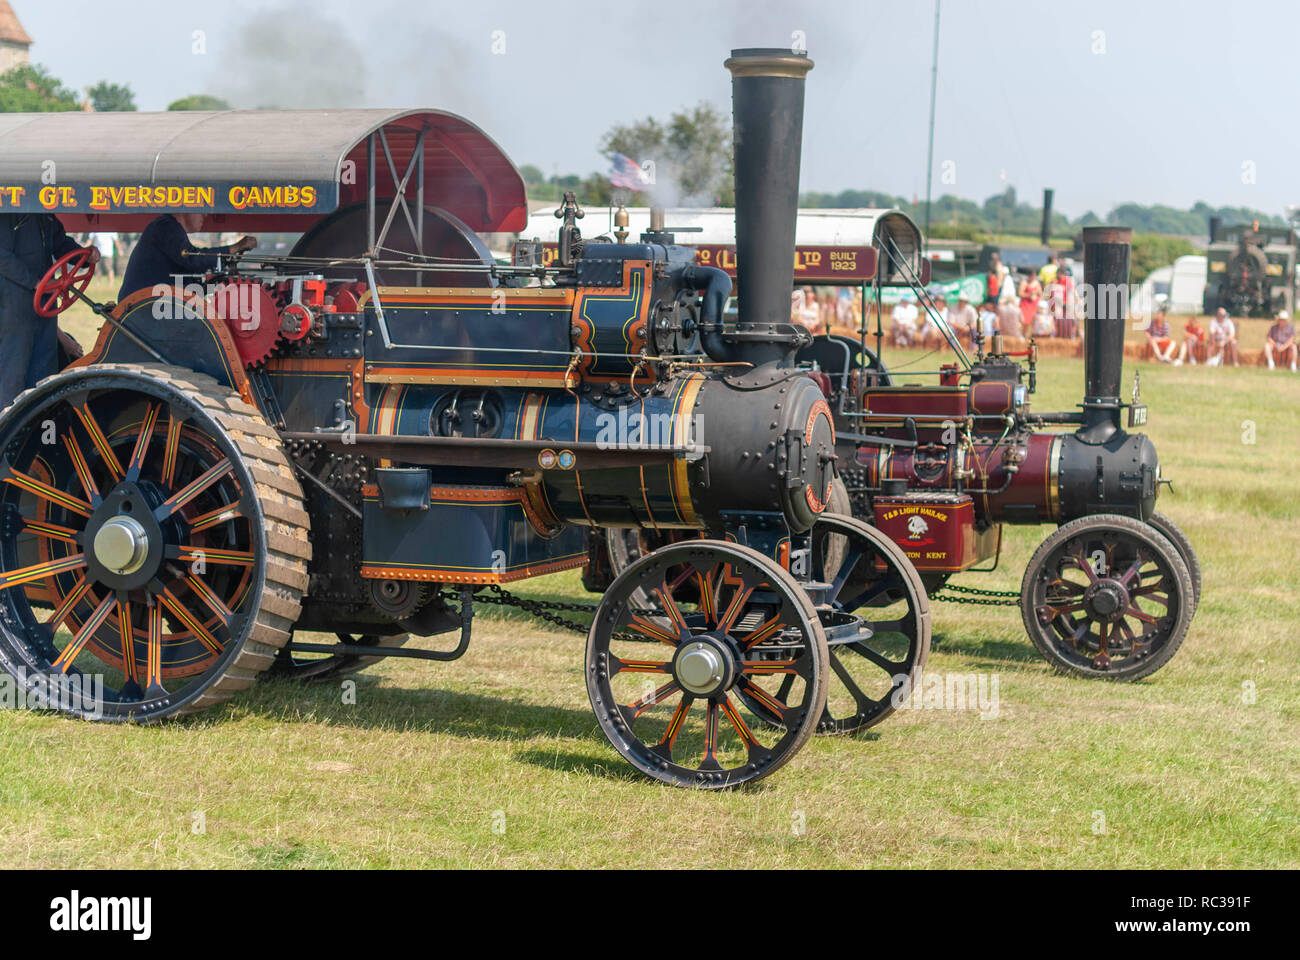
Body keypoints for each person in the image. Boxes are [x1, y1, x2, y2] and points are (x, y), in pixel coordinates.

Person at [0, 213, 101, 409]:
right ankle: (6, 430)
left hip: (46, 304)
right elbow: (2, 256)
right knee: (12, 374)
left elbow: (61, 244)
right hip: (13, 306)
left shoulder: (45, 217)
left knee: (44, 374)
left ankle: (39, 428)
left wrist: (85, 256)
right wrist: (34, 282)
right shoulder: (7, 215)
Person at [118, 213, 256, 301]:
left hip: (149, 301)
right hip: (141, 304)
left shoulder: (170, 228)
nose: (206, 214)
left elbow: (186, 274)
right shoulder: (165, 226)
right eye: (202, 208)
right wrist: (233, 249)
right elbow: (192, 259)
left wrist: (218, 284)